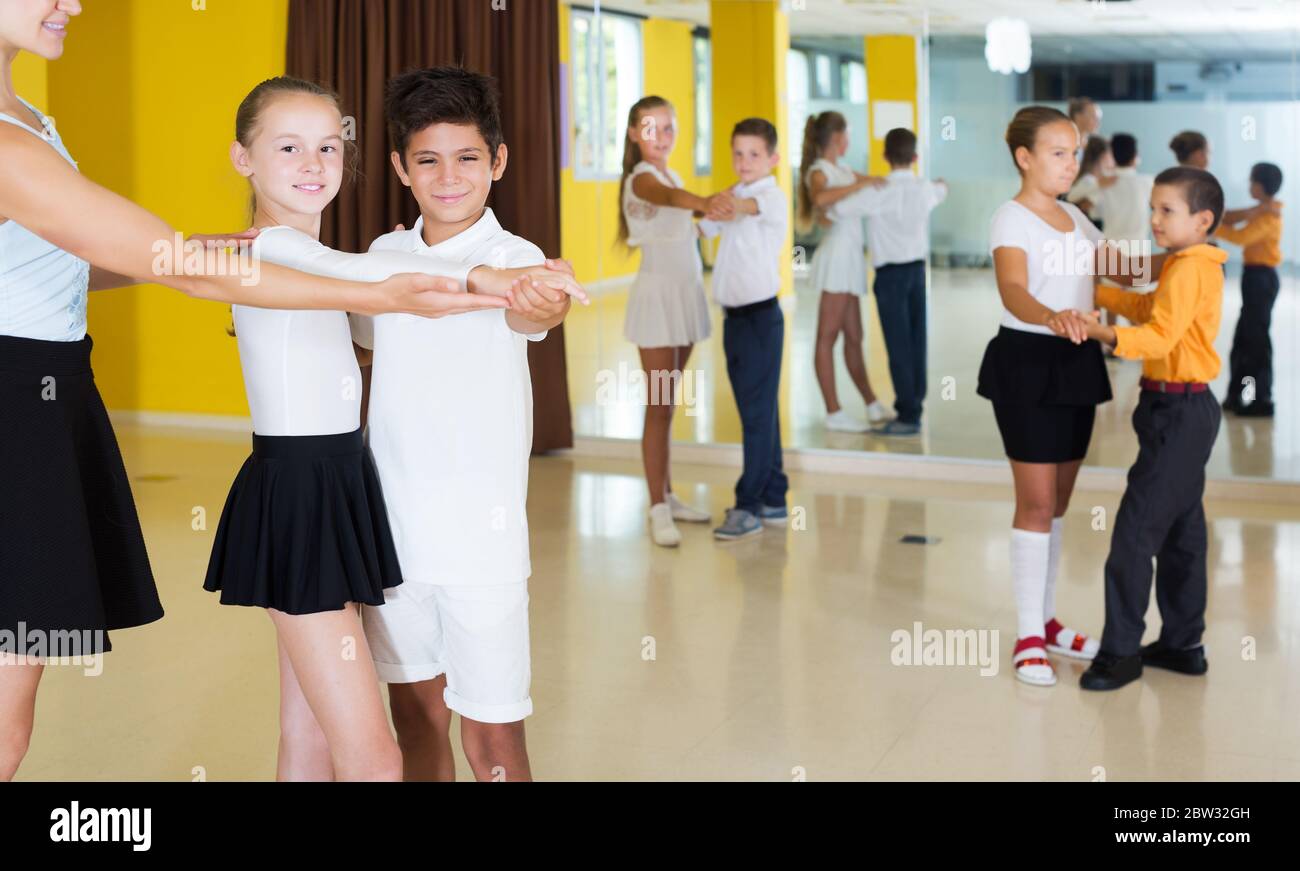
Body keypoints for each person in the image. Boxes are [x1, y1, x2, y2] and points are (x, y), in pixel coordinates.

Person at [0, 0, 519, 782]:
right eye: (287, 146)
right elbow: (336, 273)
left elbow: (75, 260)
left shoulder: (30, 119)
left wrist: (186, 253)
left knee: (299, 733)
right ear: (245, 158)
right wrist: (454, 278)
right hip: (25, 409)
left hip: (60, 396)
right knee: (12, 699)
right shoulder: (8, 141)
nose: (73, 4)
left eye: (327, 146)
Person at [352, 66, 576, 781]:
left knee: (494, 745)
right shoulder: (383, 259)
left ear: (498, 161)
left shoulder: (516, 258)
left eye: (468, 157)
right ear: (401, 167)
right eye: (428, 159)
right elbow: (360, 343)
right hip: (395, 538)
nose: (449, 176)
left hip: (484, 548)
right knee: (415, 728)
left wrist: (541, 300)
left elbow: (533, 306)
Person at [1071, 167, 1227, 691]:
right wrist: (1105, 296)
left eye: (1168, 211)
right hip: (1182, 410)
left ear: (1202, 220)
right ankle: (1184, 645)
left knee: (1136, 534)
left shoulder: (1188, 268)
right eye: (1153, 208)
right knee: (1182, 533)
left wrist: (1099, 332)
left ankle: (1118, 654)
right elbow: (1150, 308)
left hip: (1179, 414)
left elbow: (1158, 337)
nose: (1155, 219)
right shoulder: (1189, 264)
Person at [976, 106, 1109, 687]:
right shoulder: (1011, 218)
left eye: (1075, 152)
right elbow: (1012, 290)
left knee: (1056, 505)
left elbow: (1117, 267)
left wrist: (1187, 251)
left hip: (1077, 360)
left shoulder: (1077, 217)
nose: (1070, 163)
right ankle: (1028, 635)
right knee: (1033, 503)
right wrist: (1053, 316)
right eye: (1058, 152)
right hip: (1028, 360)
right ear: (1023, 157)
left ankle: (1048, 622)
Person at [618, 95, 729, 547]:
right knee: (658, 405)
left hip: (684, 294)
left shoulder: (672, 173)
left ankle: (667, 492)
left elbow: (684, 224)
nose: (661, 137)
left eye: (669, 128)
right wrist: (705, 202)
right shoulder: (643, 178)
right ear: (633, 134)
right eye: (651, 128)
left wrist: (720, 214)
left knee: (670, 403)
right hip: (658, 300)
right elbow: (668, 200)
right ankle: (656, 507)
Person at [697, 118, 789, 541]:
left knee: (755, 415)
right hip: (734, 319)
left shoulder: (771, 196)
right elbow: (703, 225)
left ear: (772, 158)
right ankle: (774, 496)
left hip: (761, 319)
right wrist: (704, 207)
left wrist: (732, 204)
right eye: (738, 153)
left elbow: (753, 208)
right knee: (759, 412)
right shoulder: (732, 194)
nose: (744, 161)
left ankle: (748, 504)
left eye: (754, 154)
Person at [827, 127, 947, 437]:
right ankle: (914, 408)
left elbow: (836, 210)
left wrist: (858, 184)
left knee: (898, 346)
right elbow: (942, 189)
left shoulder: (877, 191)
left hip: (890, 277)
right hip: (918, 274)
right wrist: (939, 184)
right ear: (916, 157)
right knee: (917, 341)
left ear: (885, 157)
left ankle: (907, 414)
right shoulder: (924, 189)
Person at [798, 110, 890, 433]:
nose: (849, 141)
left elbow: (869, 181)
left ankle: (872, 404)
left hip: (851, 260)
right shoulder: (818, 171)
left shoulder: (843, 169)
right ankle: (833, 411)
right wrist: (857, 186)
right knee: (827, 336)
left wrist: (877, 181)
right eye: (847, 135)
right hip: (837, 257)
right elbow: (820, 197)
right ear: (837, 139)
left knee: (855, 336)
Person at [1217, 162, 1284, 417]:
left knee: (1256, 341)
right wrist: (1216, 215)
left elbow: (1240, 237)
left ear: (1260, 185)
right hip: (1253, 277)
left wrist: (1209, 226)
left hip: (1262, 279)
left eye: (1252, 181)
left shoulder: (1271, 215)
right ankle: (1236, 396)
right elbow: (1234, 217)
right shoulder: (1261, 209)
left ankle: (1262, 400)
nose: (1249, 185)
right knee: (1244, 339)